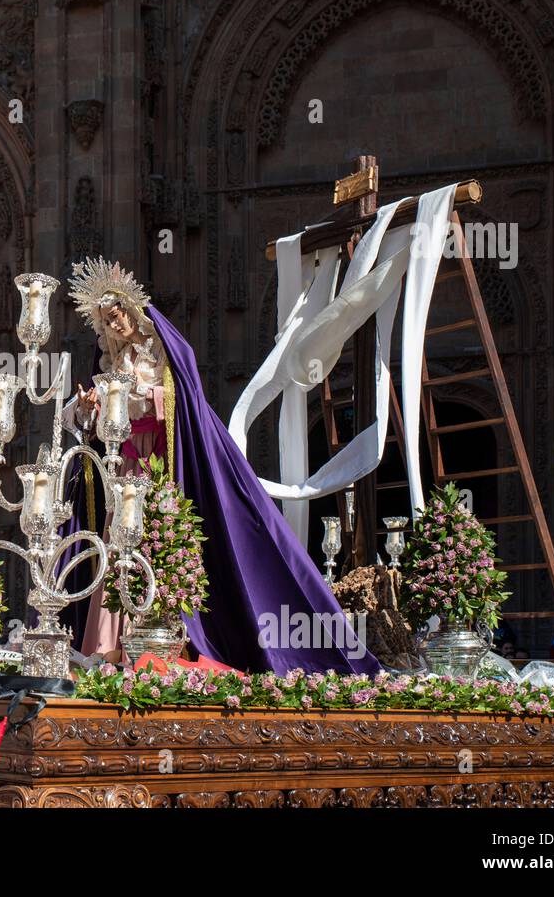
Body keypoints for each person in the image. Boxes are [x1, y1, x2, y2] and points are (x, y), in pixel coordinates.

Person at [59, 258, 380, 673]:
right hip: (123, 474)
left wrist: (141, 398)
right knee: (119, 547)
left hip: (162, 468)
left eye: (116, 314)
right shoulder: (110, 365)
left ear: (132, 308)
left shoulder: (165, 351)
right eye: (104, 320)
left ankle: (158, 640)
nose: (113, 325)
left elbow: (185, 401)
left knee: (155, 544)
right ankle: (108, 647)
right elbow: (92, 425)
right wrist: (89, 408)